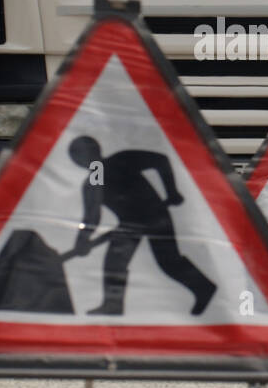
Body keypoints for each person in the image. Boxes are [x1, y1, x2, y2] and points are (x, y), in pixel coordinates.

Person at [68, 135, 216, 317]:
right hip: (128, 225)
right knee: (114, 263)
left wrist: (172, 191)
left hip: (155, 215)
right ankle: (112, 305)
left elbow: (161, 161)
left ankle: (205, 288)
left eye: (84, 153)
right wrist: (82, 240)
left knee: (169, 262)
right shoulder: (92, 184)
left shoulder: (122, 160)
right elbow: (91, 217)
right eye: (78, 155)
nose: (84, 158)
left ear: (96, 149)